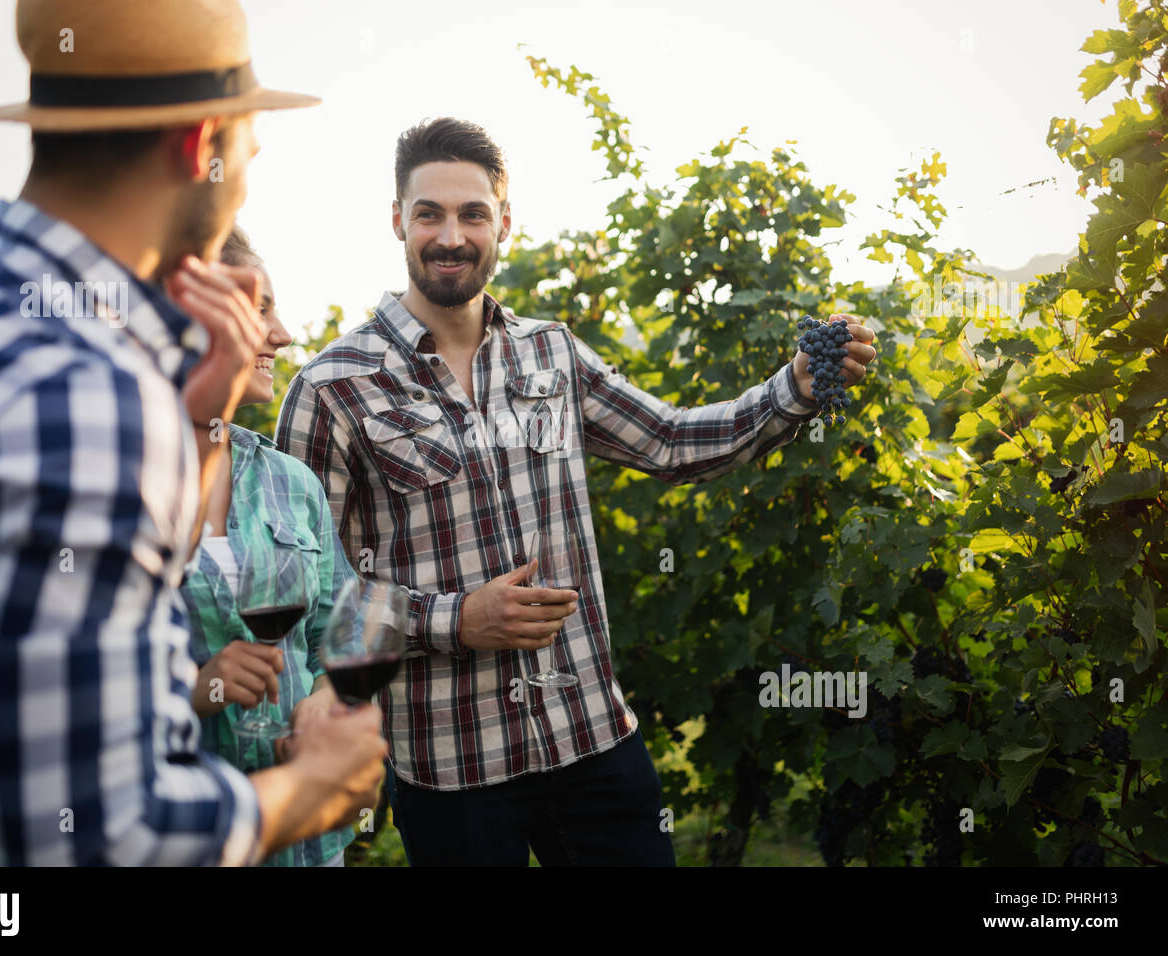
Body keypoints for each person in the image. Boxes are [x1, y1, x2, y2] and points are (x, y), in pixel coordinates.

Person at [276, 117, 880, 866]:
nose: (451, 235)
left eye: (473, 213)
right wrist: (454, 620)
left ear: (504, 223)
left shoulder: (551, 351)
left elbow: (669, 441)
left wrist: (794, 388)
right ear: (397, 219)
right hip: (452, 766)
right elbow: (305, 593)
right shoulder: (331, 389)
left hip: (593, 740)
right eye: (429, 212)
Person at [0, 0, 386, 866]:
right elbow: (105, 838)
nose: (248, 174)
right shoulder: (96, 397)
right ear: (202, 144)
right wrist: (309, 792)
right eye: (250, 149)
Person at [182, 225, 355, 867]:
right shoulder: (116, 492)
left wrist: (324, 703)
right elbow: (62, 697)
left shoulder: (290, 482)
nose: (281, 334)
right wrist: (193, 691)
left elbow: (345, 634)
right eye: (260, 308)